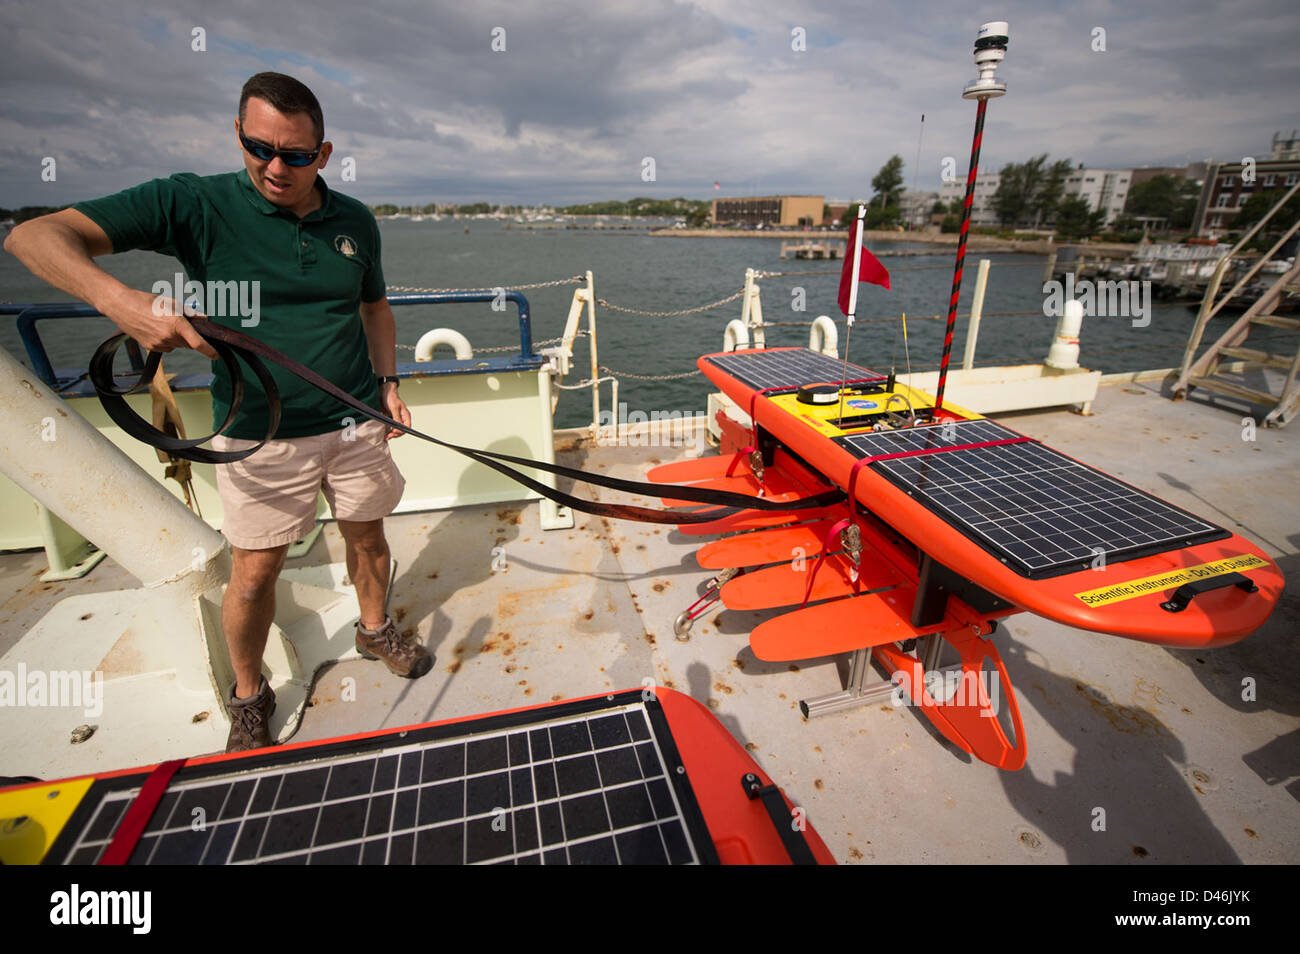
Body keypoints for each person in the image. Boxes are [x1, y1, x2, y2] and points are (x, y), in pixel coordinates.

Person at [4, 72, 432, 753]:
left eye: (295, 155)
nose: (273, 167)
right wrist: (122, 301)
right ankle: (248, 693)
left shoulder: (354, 221)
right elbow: (33, 238)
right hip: (258, 434)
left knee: (369, 538)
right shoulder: (193, 203)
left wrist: (386, 383)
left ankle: (374, 628)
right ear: (238, 135)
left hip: (354, 420)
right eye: (258, 147)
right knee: (255, 571)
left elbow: (374, 307)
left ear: (323, 155)